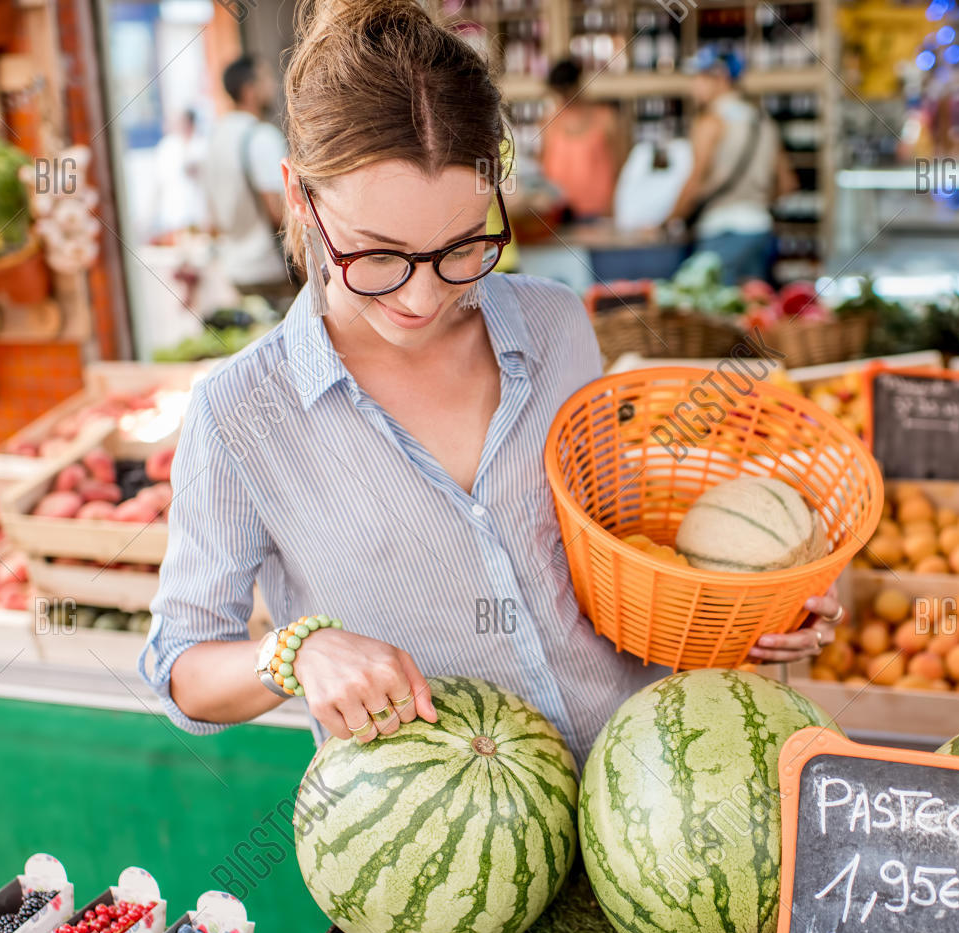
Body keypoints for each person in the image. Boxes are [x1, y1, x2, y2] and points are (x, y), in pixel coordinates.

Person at [140, 0, 842, 765]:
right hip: (452, 862)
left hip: (647, 786)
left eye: (463, 247)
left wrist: (748, 601)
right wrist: (295, 652)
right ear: (301, 197)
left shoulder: (556, 327)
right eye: (378, 255)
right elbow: (181, 665)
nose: (421, 298)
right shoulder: (241, 410)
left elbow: (624, 556)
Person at [667, 45, 798, 286]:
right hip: (759, 231)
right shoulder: (764, 122)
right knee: (752, 310)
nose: (693, 86)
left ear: (721, 78)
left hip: (720, 231)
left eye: (699, 77)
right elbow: (788, 184)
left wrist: (670, 220)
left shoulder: (710, 122)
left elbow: (695, 181)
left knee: (709, 311)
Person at [205, 56, 297, 309]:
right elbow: (278, 211)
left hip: (235, 269)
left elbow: (211, 217)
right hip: (271, 270)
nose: (273, 85)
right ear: (249, 91)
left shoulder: (216, 138)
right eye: (266, 79)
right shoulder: (260, 136)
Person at [537, 56, 622, 221]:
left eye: (567, 89)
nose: (564, 96)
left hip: (599, 212)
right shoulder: (548, 121)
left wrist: (613, 206)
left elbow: (620, 166)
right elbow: (542, 166)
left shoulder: (606, 117)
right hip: (559, 212)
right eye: (559, 92)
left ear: (579, 84)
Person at [154, 108, 206, 235]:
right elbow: (159, 184)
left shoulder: (203, 145)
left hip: (199, 215)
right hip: (174, 216)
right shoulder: (167, 147)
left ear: (191, 123)